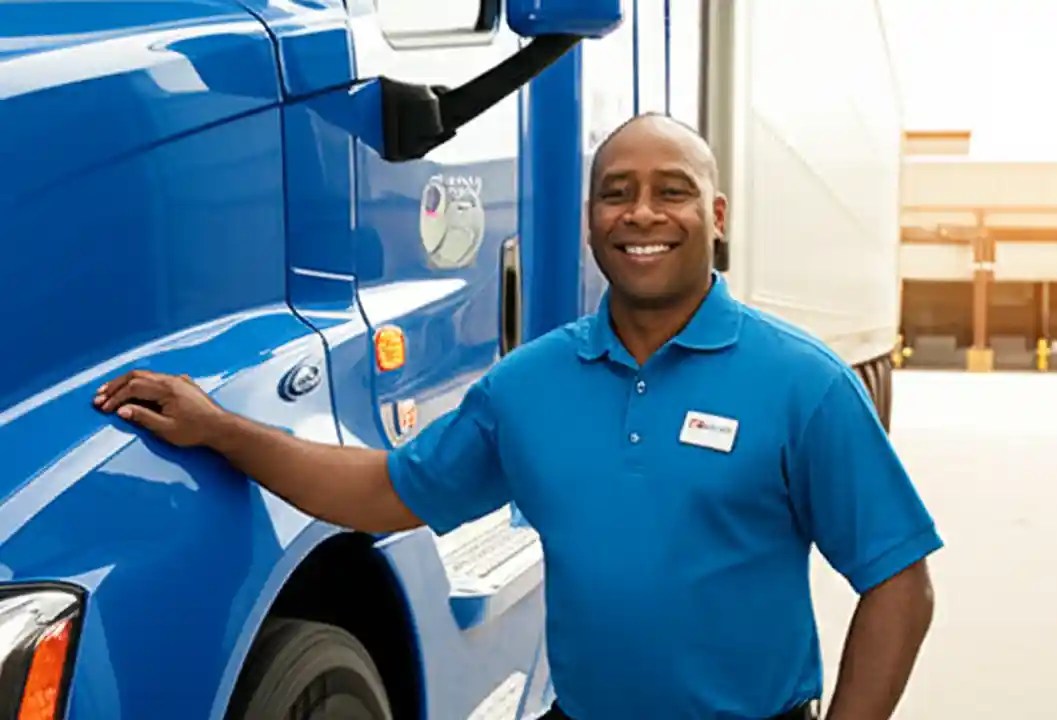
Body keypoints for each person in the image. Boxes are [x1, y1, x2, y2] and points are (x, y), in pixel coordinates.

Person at [93, 113, 942, 720]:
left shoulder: (803, 383)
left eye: (671, 192)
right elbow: (388, 493)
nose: (641, 214)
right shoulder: (531, 384)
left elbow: (898, 581)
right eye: (617, 194)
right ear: (590, 223)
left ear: (715, 219)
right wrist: (223, 430)